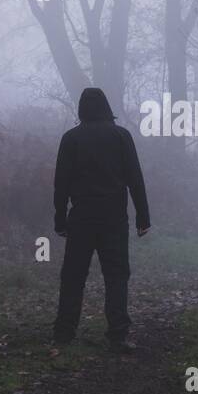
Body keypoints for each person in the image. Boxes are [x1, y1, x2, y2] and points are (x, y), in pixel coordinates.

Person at [52, 87, 151, 352]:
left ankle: (64, 331)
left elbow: (60, 183)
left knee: (73, 275)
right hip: (114, 219)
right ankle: (118, 334)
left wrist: (60, 219)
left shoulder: (71, 139)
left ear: (82, 109)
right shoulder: (121, 136)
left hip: (81, 218)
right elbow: (135, 179)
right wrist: (143, 216)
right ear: (107, 107)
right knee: (117, 276)